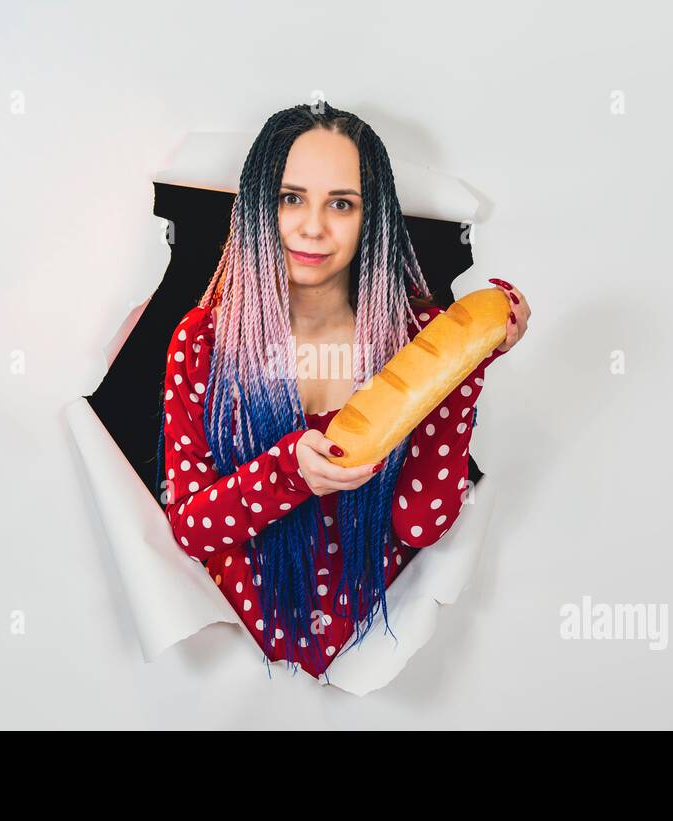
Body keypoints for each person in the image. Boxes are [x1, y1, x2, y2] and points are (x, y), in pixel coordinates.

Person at [157, 102, 529, 679]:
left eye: (341, 204)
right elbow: (191, 527)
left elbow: (422, 524)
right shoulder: (201, 342)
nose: (313, 226)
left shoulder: (418, 342)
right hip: (228, 670)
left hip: (384, 663)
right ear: (259, 207)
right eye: (291, 198)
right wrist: (290, 473)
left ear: (370, 217)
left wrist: (468, 359)